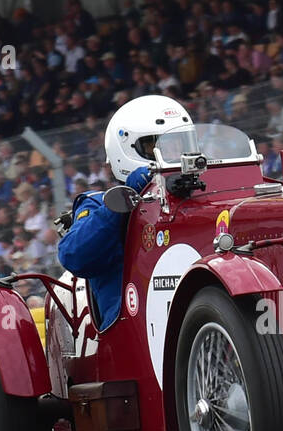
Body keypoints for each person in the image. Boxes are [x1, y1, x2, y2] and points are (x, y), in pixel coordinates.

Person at [58, 95, 193, 331]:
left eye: (177, 145)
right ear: (127, 150)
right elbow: (74, 256)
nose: (171, 155)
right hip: (129, 326)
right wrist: (123, 199)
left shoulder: (193, 195)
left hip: (189, 312)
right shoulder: (99, 204)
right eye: (156, 147)